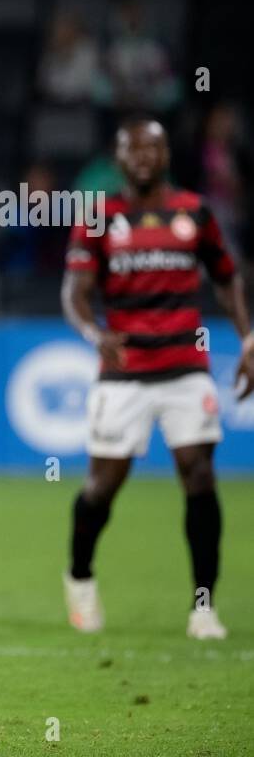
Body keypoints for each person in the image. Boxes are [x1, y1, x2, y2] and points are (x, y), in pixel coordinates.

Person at [61, 117, 254, 639]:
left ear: (167, 154)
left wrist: (248, 337)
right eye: (133, 148)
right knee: (104, 485)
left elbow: (227, 276)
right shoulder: (98, 218)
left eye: (153, 147)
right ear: (118, 158)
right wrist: (91, 331)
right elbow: (74, 293)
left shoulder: (194, 211)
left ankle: (203, 606)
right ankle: (79, 576)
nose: (143, 156)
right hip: (123, 371)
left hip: (185, 368)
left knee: (198, 475)